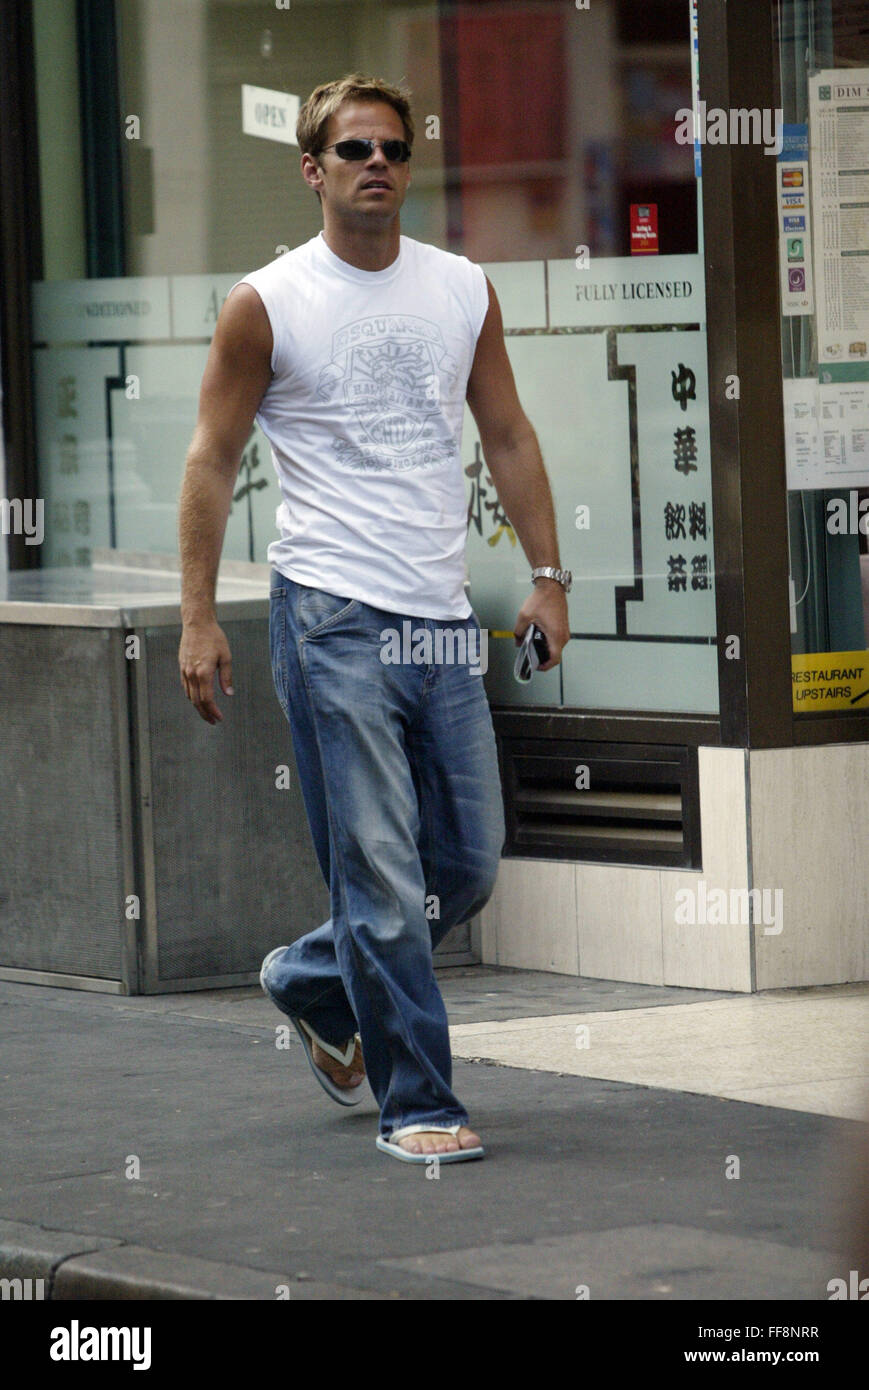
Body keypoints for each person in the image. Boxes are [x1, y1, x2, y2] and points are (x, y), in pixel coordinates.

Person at [178, 73, 571, 1164]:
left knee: (469, 860)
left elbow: (507, 434)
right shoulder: (267, 302)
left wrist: (548, 575)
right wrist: (199, 616)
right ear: (312, 169)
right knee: (384, 875)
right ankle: (418, 1105)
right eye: (352, 149)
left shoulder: (458, 288)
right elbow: (211, 461)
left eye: (392, 148)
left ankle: (308, 976)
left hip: (439, 623)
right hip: (333, 618)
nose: (375, 165)